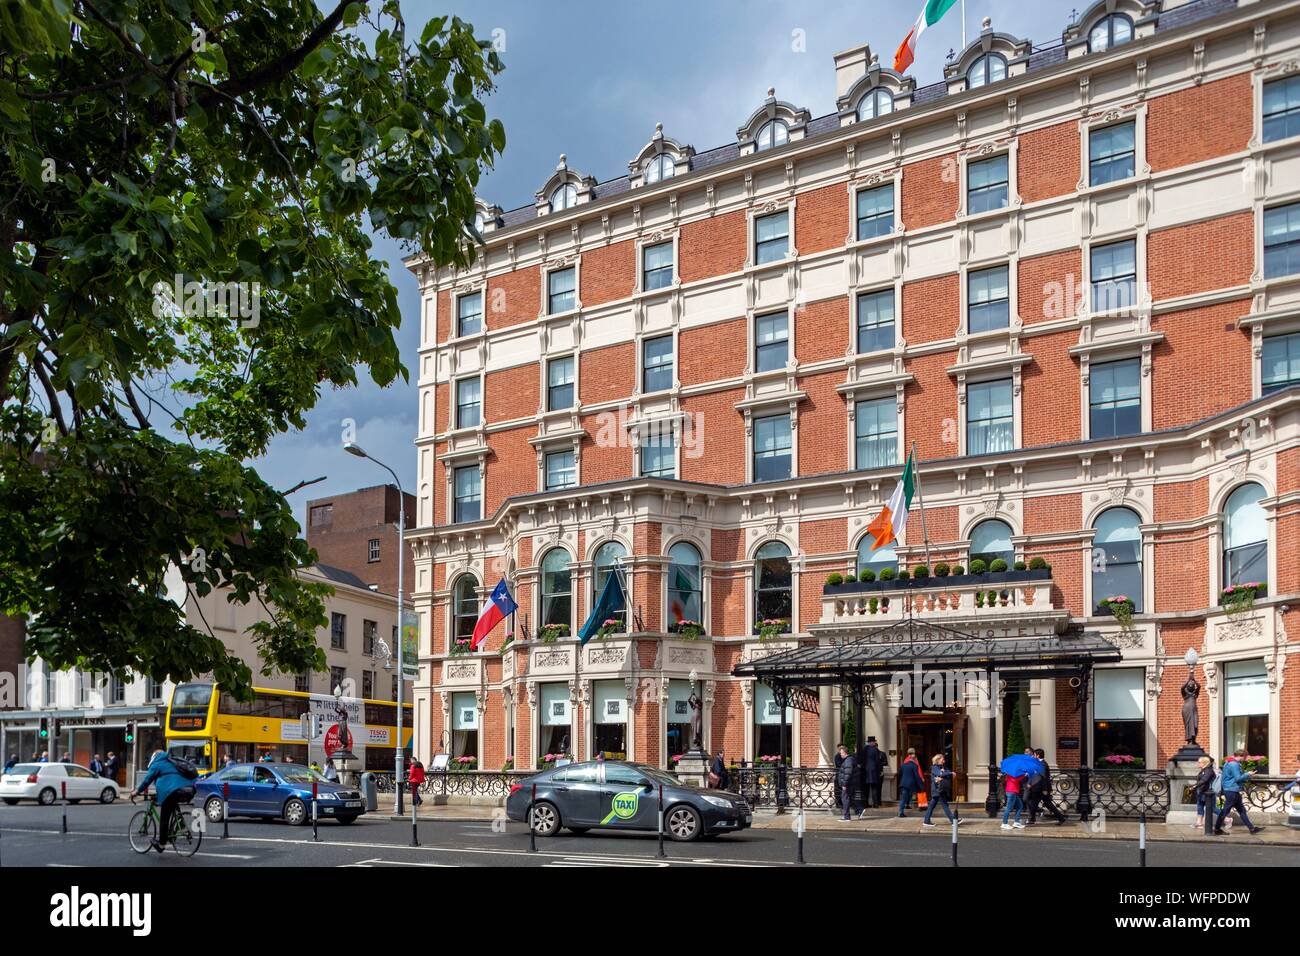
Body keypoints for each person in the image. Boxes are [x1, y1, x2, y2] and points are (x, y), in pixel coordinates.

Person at [131, 749, 195, 853]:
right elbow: (170, 778)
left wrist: (137, 791)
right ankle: (181, 828)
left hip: (170, 790)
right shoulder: (171, 761)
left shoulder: (157, 764)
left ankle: (161, 844)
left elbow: (147, 780)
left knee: (164, 817)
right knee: (172, 804)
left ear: (154, 756)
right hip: (185, 789)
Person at [1214, 749, 1263, 835]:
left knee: (1241, 810)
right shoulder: (1234, 764)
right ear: (1241, 756)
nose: (1245, 759)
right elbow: (1238, 778)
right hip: (1232, 790)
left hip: (1231, 789)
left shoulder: (1228, 762)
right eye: (1245, 757)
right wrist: (1248, 774)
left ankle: (1252, 828)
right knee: (1225, 811)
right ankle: (1217, 829)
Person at [922, 753, 963, 828]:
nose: (944, 761)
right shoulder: (934, 767)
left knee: (932, 805)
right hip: (938, 789)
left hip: (939, 789)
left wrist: (946, 773)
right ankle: (953, 820)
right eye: (942, 759)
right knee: (945, 805)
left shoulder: (943, 767)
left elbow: (945, 773)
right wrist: (948, 773)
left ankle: (926, 821)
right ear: (938, 760)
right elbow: (940, 774)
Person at [1027, 748, 1066, 825]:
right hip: (1039, 788)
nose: (1033, 756)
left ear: (1037, 756)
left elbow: (1044, 778)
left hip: (1040, 788)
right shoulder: (1039, 763)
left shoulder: (1042, 764)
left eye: (1034, 755)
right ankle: (1061, 818)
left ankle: (1032, 819)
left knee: (1034, 803)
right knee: (1047, 804)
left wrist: (1044, 789)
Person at [859, 736, 886, 810]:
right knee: (874, 788)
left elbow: (861, 760)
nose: (874, 743)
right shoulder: (875, 750)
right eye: (874, 742)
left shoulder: (864, 749)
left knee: (866, 789)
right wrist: (880, 770)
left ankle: (866, 803)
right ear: (872, 742)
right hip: (874, 771)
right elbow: (878, 761)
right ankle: (875, 804)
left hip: (865, 771)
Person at [897, 748, 924, 818]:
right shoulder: (914, 765)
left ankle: (901, 812)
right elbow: (917, 776)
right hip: (911, 784)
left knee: (904, 798)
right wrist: (920, 784)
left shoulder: (903, 765)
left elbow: (900, 774)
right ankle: (921, 806)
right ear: (914, 759)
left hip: (903, 783)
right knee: (914, 794)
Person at [1192, 756, 1216, 830]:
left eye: (1199, 762)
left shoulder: (1209, 770)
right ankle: (1199, 822)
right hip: (1202, 791)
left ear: (1204, 763)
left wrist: (1196, 785)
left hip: (1207, 792)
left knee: (1212, 808)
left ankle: (1227, 819)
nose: (1198, 764)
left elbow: (1205, 780)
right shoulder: (1203, 770)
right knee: (1200, 806)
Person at [836, 745, 858, 821]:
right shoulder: (848, 759)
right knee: (847, 799)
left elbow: (848, 773)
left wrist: (844, 784)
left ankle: (847, 817)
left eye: (841, 753)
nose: (840, 754)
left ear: (845, 752)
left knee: (845, 799)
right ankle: (857, 811)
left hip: (848, 784)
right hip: (849, 783)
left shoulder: (848, 760)